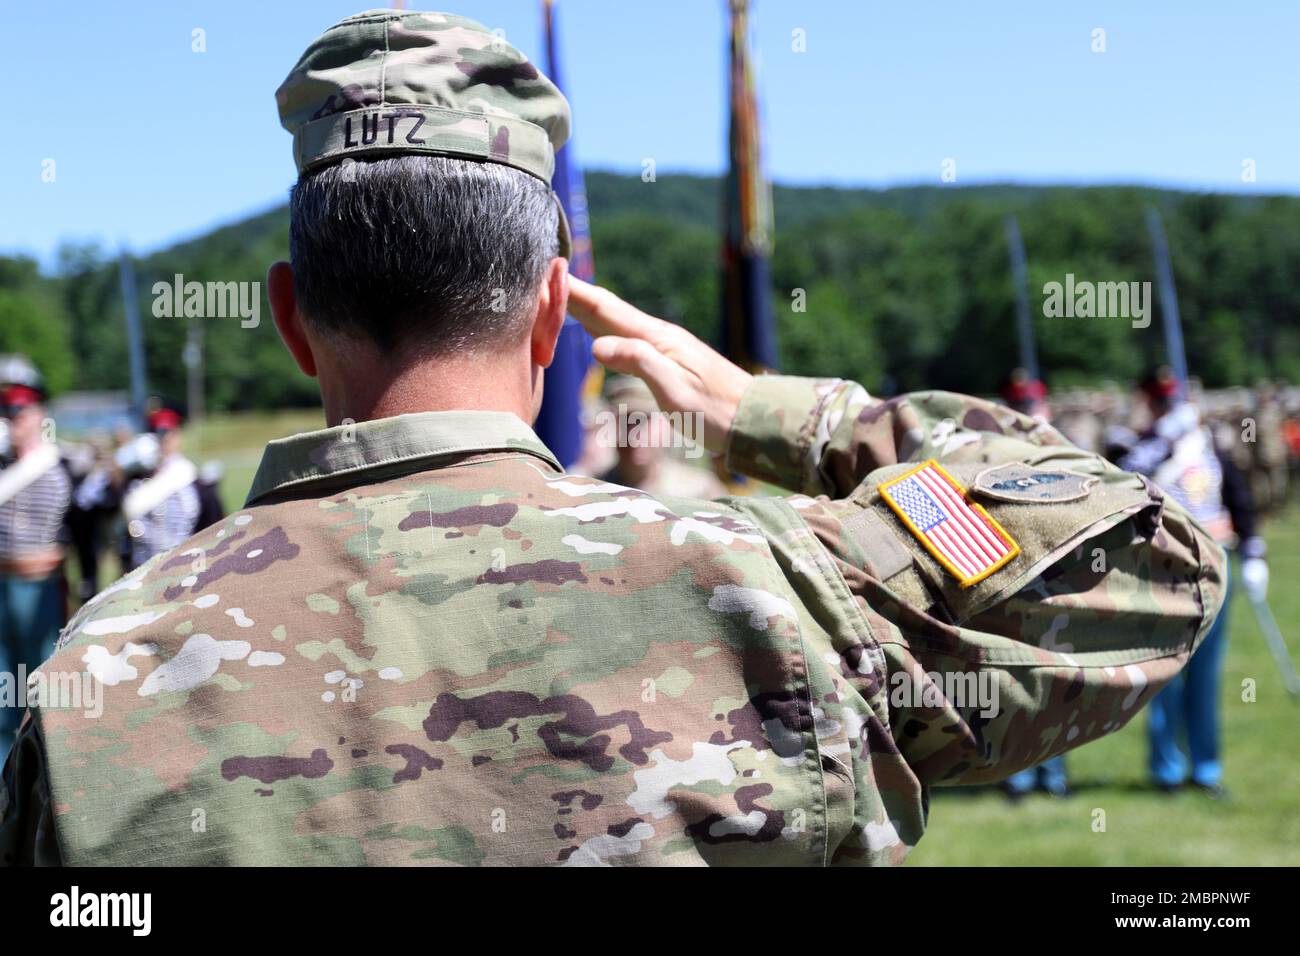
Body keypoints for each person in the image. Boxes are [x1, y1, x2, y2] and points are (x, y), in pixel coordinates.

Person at [1, 10, 1225, 866]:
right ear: (551, 310)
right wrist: (770, 412)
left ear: (286, 319)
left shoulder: (94, 677)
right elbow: (1147, 558)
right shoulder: (766, 592)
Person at [1118, 368, 1264, 798]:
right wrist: (1164, 440)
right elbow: (1125, 478)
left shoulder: (1208, 444)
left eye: (1172, 401)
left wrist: (1254, 549)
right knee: (1164, 672)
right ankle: (1166, 769)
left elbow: (1238, 498)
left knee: (1206, 675)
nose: (1167, 408)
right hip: (1162, 572)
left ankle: (1206, 768)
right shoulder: (1133, 443)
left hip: (1214, 568)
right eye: (1160, 401)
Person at [995, 370, 1068, 800]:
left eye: (1033, 406)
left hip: (1057, 578)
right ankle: (1016, 774)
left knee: (1057, 680)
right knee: (1012, 679)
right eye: (1020, 408)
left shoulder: (1066, 454)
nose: (1028, 415)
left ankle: (1053, 774)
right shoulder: (992, 456)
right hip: (1010, 576)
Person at [0, 383, 71, 765]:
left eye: (21, 415)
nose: (14, 423)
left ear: (38, 417)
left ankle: (44, 770)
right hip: (2, 585)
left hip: (40, 585)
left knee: (39, 684)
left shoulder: (58, 466)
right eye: (9, 415)